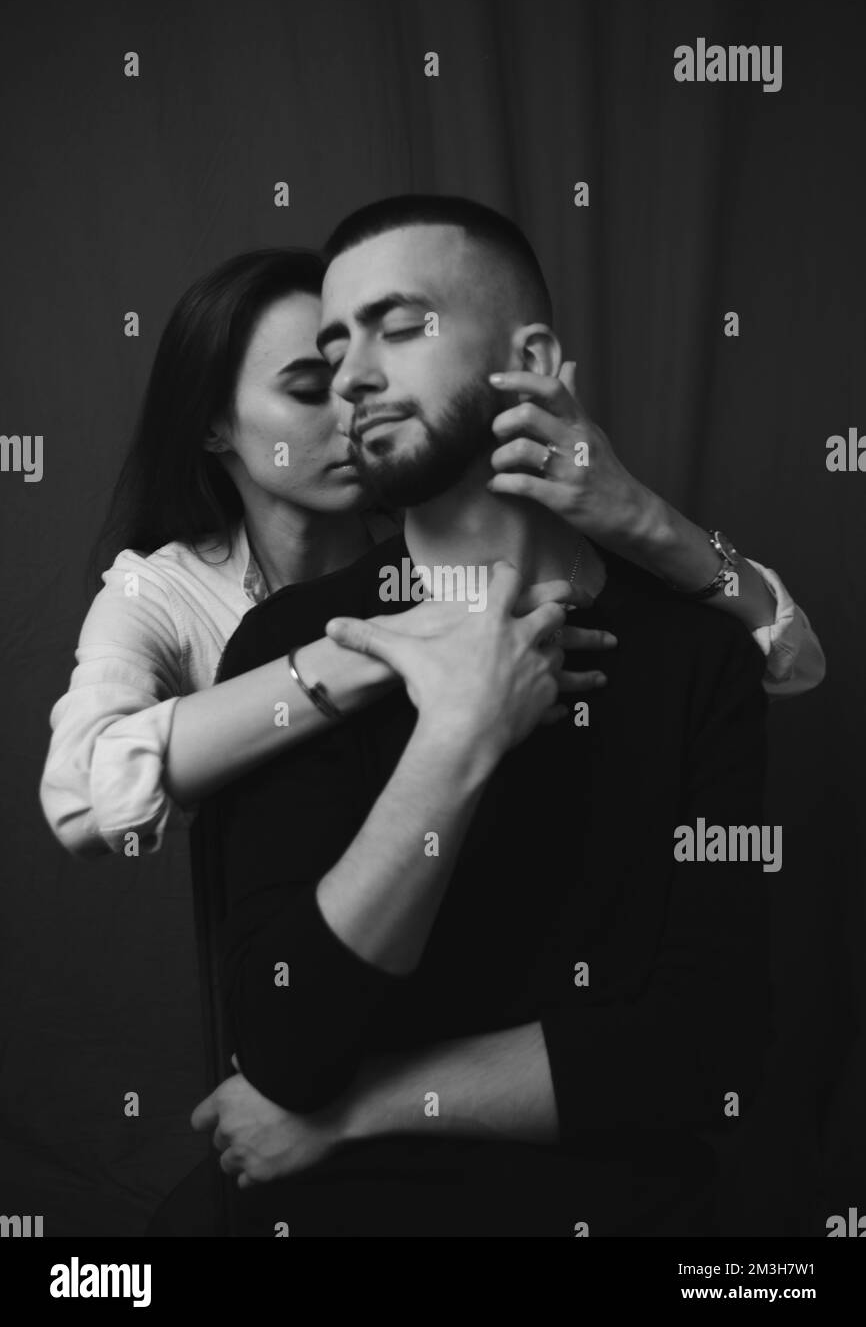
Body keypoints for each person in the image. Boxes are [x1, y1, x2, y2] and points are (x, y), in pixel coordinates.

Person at [188, 195, 778, 1238]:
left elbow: (702, 1051)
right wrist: (459, 735)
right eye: (332, 346)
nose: (352, 376)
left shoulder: (697, 657)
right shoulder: (295, 649)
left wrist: (356, 1111)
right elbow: (282, 1040)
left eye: (400, 326)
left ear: (531, 359)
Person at [39, 240, 824, 864]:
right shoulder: (163, 595)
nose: (352, 405)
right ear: (213, 426)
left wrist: (647, 520)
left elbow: (790, 664)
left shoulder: (450, 527)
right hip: (304, 991)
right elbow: (80, 800)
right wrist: (382, 650)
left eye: (360, 371)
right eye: (313, 388)